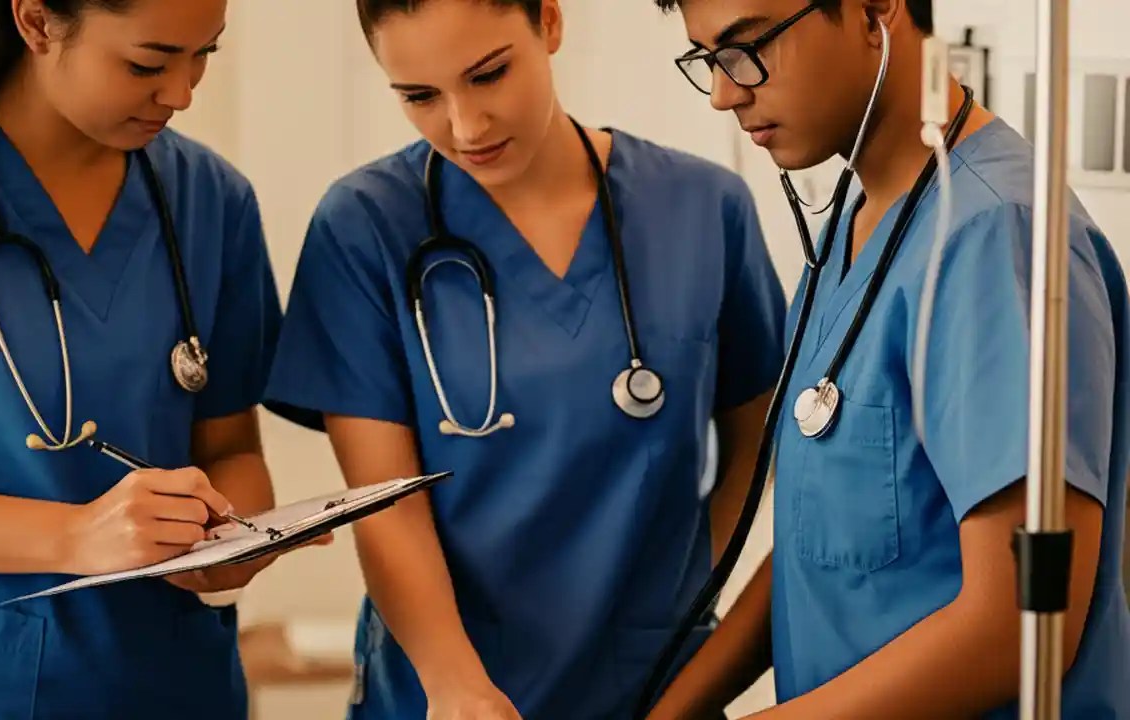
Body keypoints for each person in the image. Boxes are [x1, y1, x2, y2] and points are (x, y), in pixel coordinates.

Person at [261, 0, 787, 717]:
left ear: (549, 23)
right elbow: (383, 503)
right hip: (447, 689)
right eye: (420, 96)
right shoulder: (365, 225)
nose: (465, 125)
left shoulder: (702, 207)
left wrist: (686, 588)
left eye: (489, 74)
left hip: (654, 680)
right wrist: (455, 683)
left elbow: (756, 439)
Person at [646, 0, 1130, 718]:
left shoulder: (994, 238)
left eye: (748, 46)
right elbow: (831, 545)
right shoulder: (858, 222)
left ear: (876, 10)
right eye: (708, 58)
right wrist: (672, 707)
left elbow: (1020, 630)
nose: (724, 91)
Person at [0, 0, 313, 716]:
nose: (183, 93)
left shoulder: (211, 201)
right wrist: (75, 536)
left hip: (174, 680)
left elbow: (231, 449)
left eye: (204, 56)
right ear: (36, 22)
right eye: (147, 63)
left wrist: (237, 540)